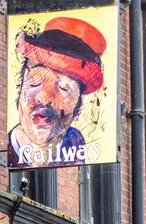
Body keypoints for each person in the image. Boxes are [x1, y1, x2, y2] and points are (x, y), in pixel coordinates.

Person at [8, 16, 106, 169]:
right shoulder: (3, 149)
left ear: (77, 108)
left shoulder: (75, 148)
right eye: (35, 83)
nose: (44, 98)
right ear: (20, 89)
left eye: (64, 89)